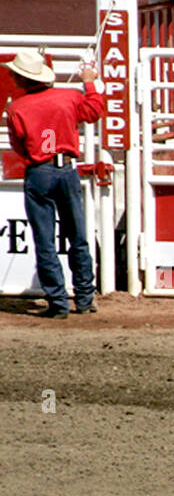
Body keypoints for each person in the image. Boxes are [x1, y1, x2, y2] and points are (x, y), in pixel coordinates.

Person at [4, 49, 105, 318]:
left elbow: (19, 146)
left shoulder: (16, 109)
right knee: (77, 235)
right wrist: (90, 81)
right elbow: (95, 110)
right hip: (66, 168)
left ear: (23, 79)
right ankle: (85, 297)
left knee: (45, 239)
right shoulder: (69, 98)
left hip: (39, 170)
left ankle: (58, 302)